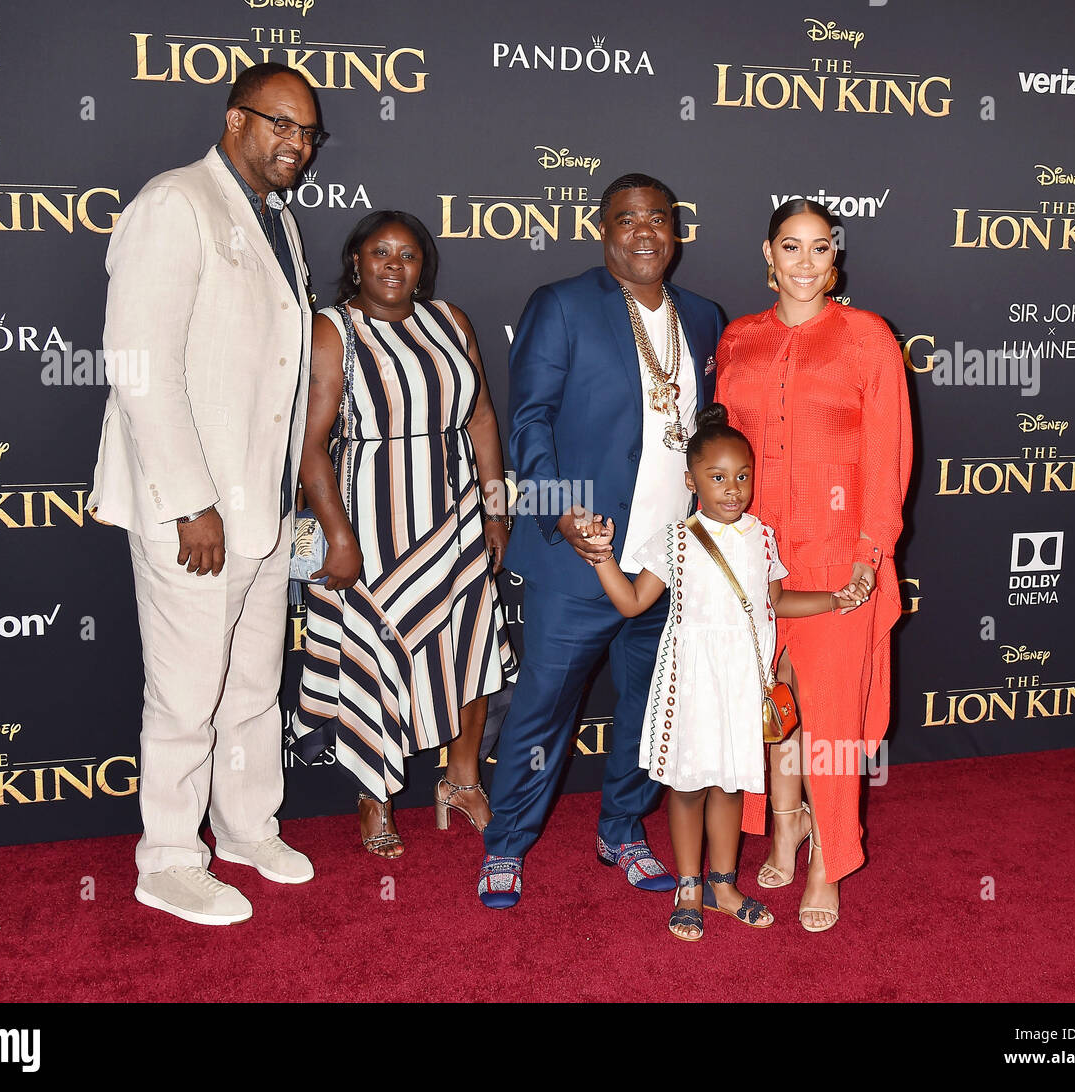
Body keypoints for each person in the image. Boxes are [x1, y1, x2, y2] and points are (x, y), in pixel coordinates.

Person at [88, 63, 323, 925]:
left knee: (254, 682)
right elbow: (140, 368)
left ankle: (245, 825)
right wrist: (191, 501)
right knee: (186, 693)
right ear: (234, 120)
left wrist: (280, 494)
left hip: (260, 506)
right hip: (192, 511)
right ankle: (169, 859)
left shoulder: (279, 222)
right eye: (279, 123)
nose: (295, 142)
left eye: (307, 131)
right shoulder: (174, 203)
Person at [478, 173, 726, 909]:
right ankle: (507, 845)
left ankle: (621, 828)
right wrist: (561, 511)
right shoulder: (562, 304)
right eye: (628, 219)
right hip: (581, 555)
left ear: (676, 232)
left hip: (670, 560)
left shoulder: (705, 317)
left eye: (659, 220)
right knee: (544, 708)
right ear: (602, 229)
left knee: (651, 708)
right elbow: (530, 421)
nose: (645, 232)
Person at [577, 404, 861, 940]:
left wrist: (833, 599)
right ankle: (688, 885)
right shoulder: (675, 539)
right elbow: (634, 603)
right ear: (691, 480)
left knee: (729, 786)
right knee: (687, 788)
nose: (732, 489)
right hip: (690, 682)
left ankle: (723, 885)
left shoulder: (762, 537)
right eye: (717, 477)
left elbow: (776, 602)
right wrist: (601, 558)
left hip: (740, 684)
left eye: (742, 477)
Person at [716, 198, 913, 932]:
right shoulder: (738, 339)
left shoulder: (868, 338)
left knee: (830, 717)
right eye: (790, 248)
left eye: (819, 248)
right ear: (767, 255)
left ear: (837, 259)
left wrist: (872, 551)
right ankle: (786, 826)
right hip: (755, 555)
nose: (804, 263)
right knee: (775, 711)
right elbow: (721, 458)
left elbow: (891, 454)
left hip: (838, 557)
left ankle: (829, 858)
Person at [293, 210, 515, 858]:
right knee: (379, 659)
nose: (394, 265)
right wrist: (337, 535)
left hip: (456, 519)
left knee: (470, 653)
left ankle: (463, 779)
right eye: (380, 252)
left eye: (408, 254)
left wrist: (495, 512)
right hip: (374, 530)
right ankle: (375, 797)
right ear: (356, 261)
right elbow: (310, 447)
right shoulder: (334, 329)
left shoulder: (452, 322)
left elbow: (479, 418)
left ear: (425, 267)